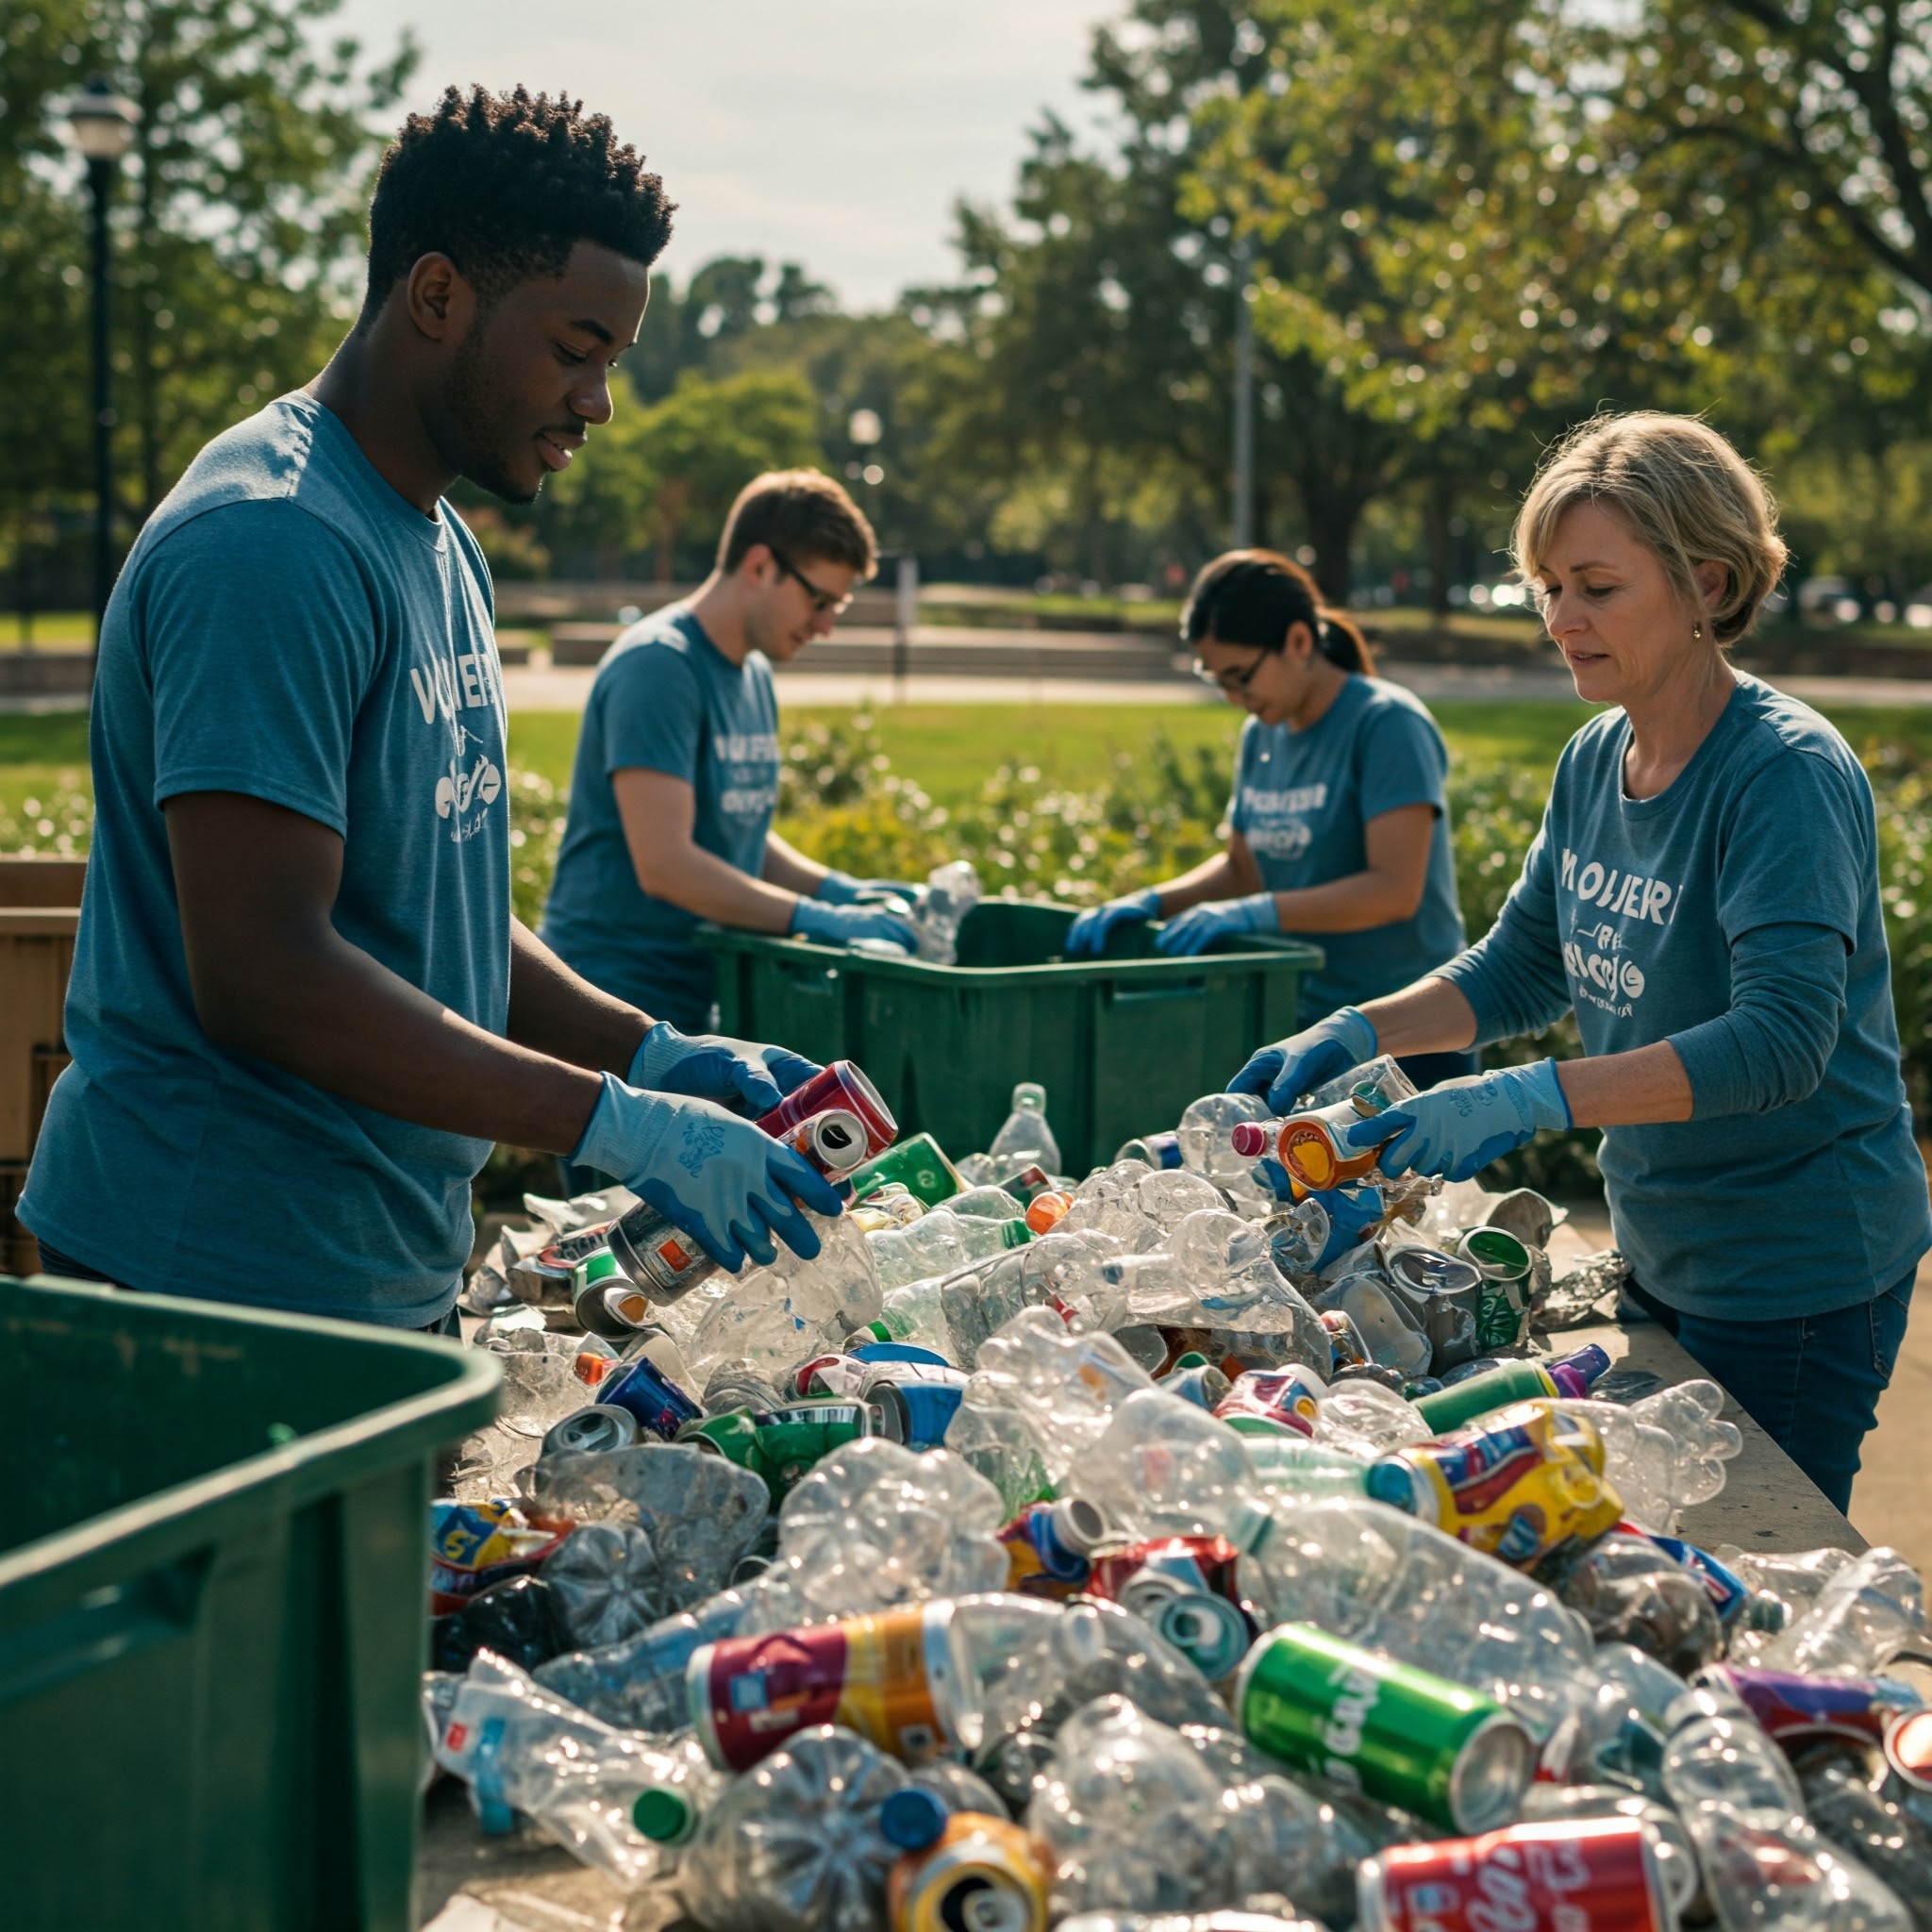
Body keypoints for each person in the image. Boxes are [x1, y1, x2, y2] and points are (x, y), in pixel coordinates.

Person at [20, 86, 843, 1334]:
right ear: (439, 296)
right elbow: (265, 972)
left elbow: (430, 914)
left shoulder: (436, 537)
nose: (597, 403)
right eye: (573, 351)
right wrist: (612, 1122)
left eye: (611, 363)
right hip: (211, 1279)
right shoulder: (274, 540)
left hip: (373, 1261)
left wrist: (649, 1052)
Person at [1231, 412, 1929, 1511]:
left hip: (1794, 1267)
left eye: (1595, 588)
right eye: (1545, 586)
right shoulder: (1594, 754)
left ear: (1704, 581)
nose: (1558, 620)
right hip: (1667, 1241)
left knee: (1758, 1560)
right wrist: (1361, 1028)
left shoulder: (1780, 774)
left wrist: (1530, 1094)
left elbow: (1782, 1042)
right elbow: (1524, 964)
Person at [540, 470, 925, 1037]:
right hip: (608, 1004)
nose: (825, 627)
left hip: (695, 999)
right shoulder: (659, 667)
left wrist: (836, 890)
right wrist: (817, 920)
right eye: (819, 600)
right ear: (760, 566)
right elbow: (666, 866)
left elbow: (733, 831)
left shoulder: (754, 673)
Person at [1068, 549, 1472, 1087]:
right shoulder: (1262, 733)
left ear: (1299, 641)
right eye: (1217, 681)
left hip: (1406, 1034)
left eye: (1240, 676)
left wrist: (1251, 914)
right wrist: (1151, 903)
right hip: (1307, 1026)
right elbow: (1243, 871)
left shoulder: (1387, 724)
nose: (1234, 698)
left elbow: (1394, 890)